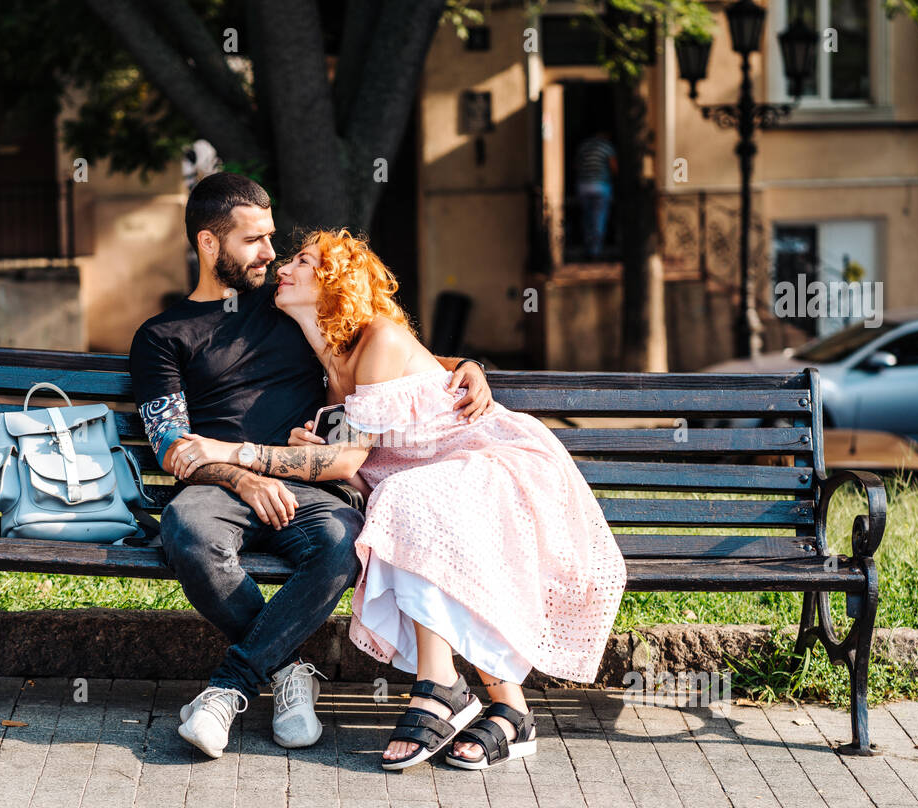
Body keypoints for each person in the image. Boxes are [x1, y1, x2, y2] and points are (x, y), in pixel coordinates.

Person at [166, 228, 627, 771]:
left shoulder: (377, 340)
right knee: (407, 507)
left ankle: (440, 686)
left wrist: (231, 451)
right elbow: (345, 451)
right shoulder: (330, 368)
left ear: (336, 282)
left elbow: (345, 463)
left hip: (497, 462)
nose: (284, 268)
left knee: (406, 502)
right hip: (438, 488)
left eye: (305, 262)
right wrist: (312, 447)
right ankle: (511, 713)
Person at [128, 173, 493, 759]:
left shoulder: (288, 309)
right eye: (255, 241)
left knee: (345, 540)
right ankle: (288, 669)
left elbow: (382, 349)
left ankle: (228, 688)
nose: (272, 255)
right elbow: (172, 445)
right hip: (222, 487)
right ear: (208, 244)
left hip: (310, 482)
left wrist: (463, 363)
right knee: (186, 531)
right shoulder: (162, 337)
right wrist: (243, 477)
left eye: (274, 240)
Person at [575, 132, 617, 260]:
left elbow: (576, 165)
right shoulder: (607, 147)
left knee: (587, 218)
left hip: (583, 186)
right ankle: (595, 251)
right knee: (598, 218)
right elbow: (614, 168)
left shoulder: (584, 146)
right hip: (601, 186)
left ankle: (589, 247)